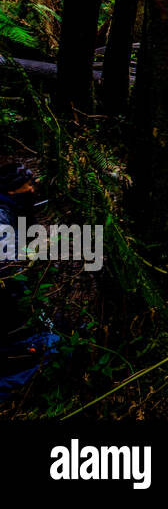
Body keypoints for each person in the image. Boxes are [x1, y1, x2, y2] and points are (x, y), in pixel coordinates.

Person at [0, 162, 58, 398]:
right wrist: (32, 310)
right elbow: (10, 275)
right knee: (54, 346)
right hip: (8, 316)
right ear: (13, 189)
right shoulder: (3, 219)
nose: (33, 189)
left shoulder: (11, 212)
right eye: (28, 184)